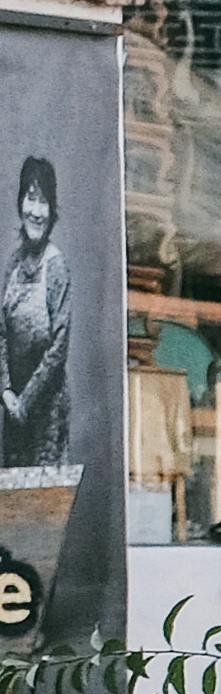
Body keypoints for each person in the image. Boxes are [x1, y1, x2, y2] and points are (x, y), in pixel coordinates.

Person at [0, 154, 66, 472]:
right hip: (12, 414)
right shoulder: (12, 265)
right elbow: (0, 333)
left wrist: (26, 402)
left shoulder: (56, 266)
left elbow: (59, 347)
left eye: (44, 202)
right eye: (30, 198)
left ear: (52, 211)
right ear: (20, 203)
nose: (36, 211)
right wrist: (6, 391)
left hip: (46, 414)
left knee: (44, 506)